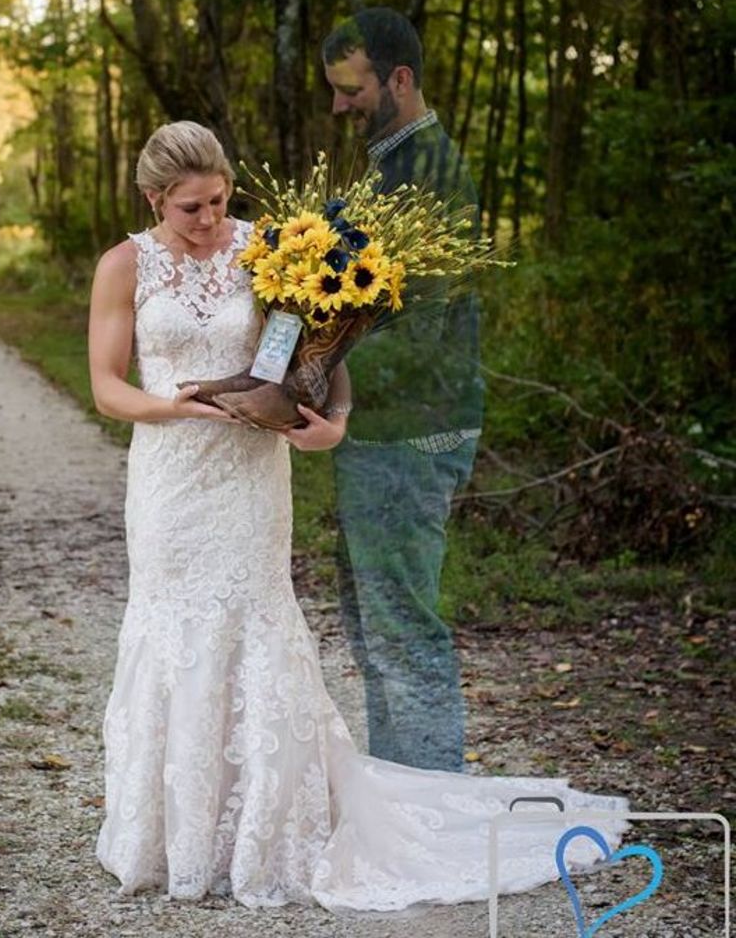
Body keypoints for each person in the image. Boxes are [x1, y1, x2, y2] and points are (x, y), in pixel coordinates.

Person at [88, 120, 624, 911]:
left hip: (251, 480)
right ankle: (175, 834)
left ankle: (270, 827)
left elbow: (326, 353)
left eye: (220, 201)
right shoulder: (124, 264)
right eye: (191, 208)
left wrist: (332, 424)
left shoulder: (272, 250)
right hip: (171, 479)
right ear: (153, 198)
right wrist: (187, 412)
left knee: (256, 619)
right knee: (173, 627)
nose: (209, 221)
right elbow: (108, 386)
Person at [321, 8, 483, 772]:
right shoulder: (388, 165)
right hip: (375, 431)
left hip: (413, 433)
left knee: (401, 632)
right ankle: (400, 803)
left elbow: (421, 332)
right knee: (372, 630)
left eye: (350, 89)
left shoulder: (434, 174)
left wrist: (311, 379)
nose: (339, 105)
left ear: (400, 79)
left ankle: (435, 815)